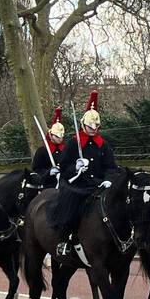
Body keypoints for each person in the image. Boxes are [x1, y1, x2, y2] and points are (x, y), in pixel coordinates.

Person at [49, 90, 117, 258]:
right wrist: (76, 168)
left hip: (98, 185)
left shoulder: (104, 145)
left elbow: (110, 166)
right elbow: (64, 168)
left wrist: (109, 180)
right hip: (77, 185)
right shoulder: (73, 143)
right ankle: (65, 240)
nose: (93, 130)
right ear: (83, 125)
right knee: (72, 202)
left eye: (96, 127)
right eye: (90, 127)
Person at [31, 106, 67, 179]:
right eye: (57, 136)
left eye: (61, 136)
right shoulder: (42, 151)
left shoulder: (66, 149)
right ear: (50, 135)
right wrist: (49, 172)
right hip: (49, 182)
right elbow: (37, 169)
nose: (60, 139)